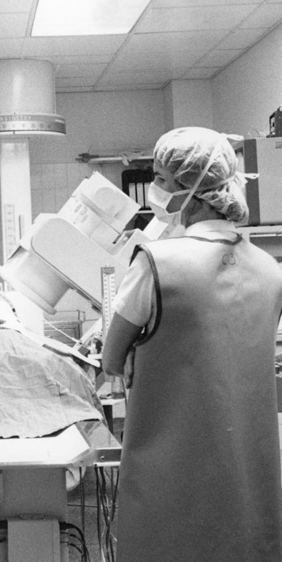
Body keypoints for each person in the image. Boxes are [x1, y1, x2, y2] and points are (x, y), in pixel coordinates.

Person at [102, 127, 282, 561]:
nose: (157, 189)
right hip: (248, 471)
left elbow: (110, 356)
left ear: (194, 191)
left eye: (162, 179)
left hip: (173, 469)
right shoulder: (269, 268)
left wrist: (129, 355)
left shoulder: (157, 263)